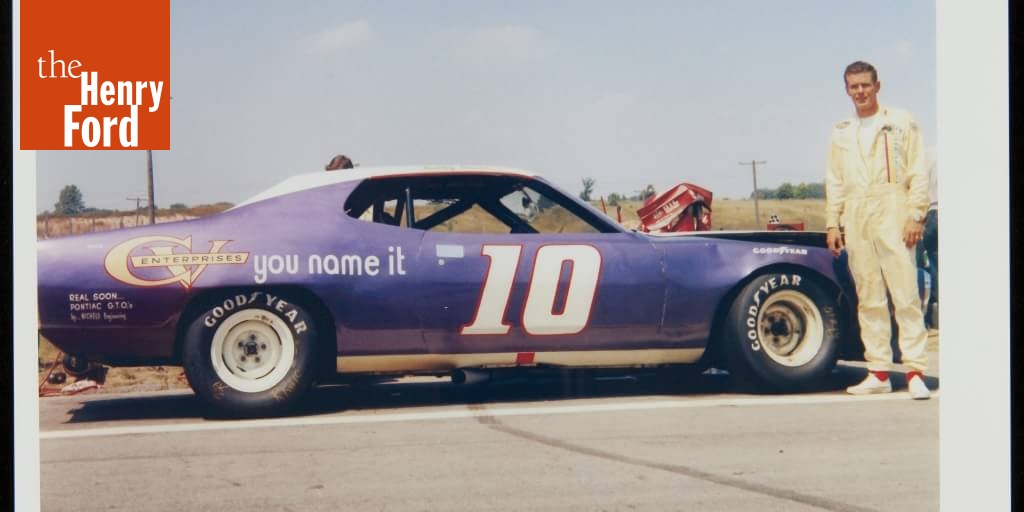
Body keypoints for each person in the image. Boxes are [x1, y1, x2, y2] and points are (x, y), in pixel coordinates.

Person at [825, 60, 931, 399]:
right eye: (854, 87)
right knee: (869, 295)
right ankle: (879, 371)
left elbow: (918, 170)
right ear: (847, 90)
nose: (860, 92)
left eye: (865, 85)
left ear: (877, 86)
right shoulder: (842, 131)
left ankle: (915, 370)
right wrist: (832, 221)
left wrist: (916, 215)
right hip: (857, 213)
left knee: (904, 293)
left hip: (893, 208)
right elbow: (835, 180)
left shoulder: (900, 122)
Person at [916, 153, 938, 329]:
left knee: (928, 266)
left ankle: (928, 317)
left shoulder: (929, 156)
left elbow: (920, 191)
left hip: (933, 212)